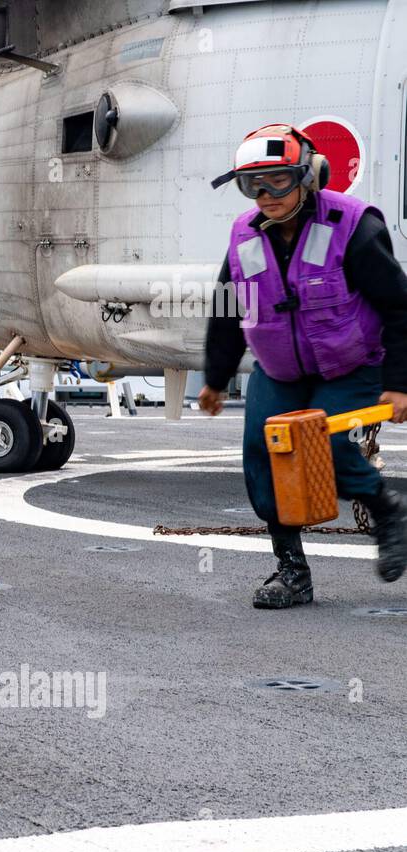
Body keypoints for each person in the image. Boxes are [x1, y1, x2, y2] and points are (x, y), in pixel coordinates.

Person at [199, 123, 407, 608]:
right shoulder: (243, 236)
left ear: (309, 175)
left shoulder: (355, 227)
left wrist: (399, 384)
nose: (265, 195)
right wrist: (214, 379)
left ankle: (386, 509)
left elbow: (399, 307)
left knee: (329, 444)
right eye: (253, 185)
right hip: (279, 369)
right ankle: (292, 571)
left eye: (277, 181)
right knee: (264, 451)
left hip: (352, 365)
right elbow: (227, 309)